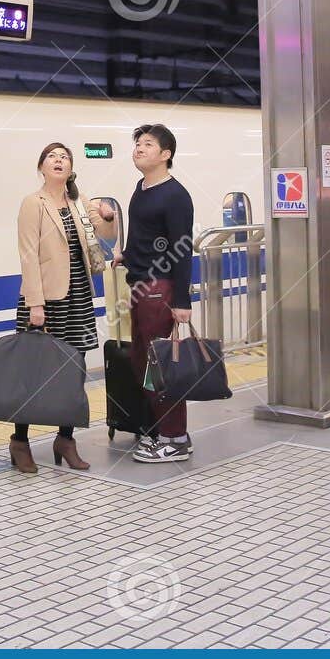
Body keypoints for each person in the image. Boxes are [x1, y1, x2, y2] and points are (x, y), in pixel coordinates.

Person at [12, 142, 115, 474]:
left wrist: (108, 216)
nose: (58, 161)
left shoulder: (78, 203)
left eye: (64, 157)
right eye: (51, 157)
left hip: (79, 296)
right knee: (34, 372)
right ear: (41, 167)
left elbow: (106, 233)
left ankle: (65, 439)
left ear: (71, 169)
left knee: (74, 371)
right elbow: (28, 255)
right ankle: (20, 441)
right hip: (44, 299)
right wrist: (35, 305)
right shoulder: (33, 203)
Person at [121, 123, 195, 464]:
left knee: (162, 366)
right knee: (143, 363)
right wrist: (126, 254)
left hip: (160, 289)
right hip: (139, 287)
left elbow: (181, 250)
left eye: (147, 144)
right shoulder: (141, 188)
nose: (139, 148)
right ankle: (162, 430)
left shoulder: (176, 196)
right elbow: (145, 236)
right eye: (138, 143)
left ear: (165, 155)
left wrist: (182, 302)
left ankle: (175, 439)